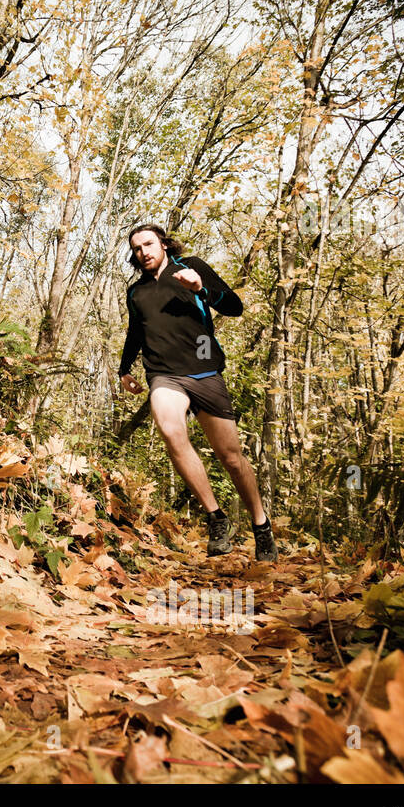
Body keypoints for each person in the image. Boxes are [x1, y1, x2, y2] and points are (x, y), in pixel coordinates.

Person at [118, 223, 276, 561]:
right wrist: (124, 369)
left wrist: (202, 289)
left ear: (163, 244)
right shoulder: (137, 293)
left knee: (231, 458)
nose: (143, 252)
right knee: (170, 429)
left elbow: (234, 307)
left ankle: (261, 525)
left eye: (148, 244)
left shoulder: (192, 268)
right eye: (136, 248)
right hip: (164, 375)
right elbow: (136, 332)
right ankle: (216, 518)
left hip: (205, 371)